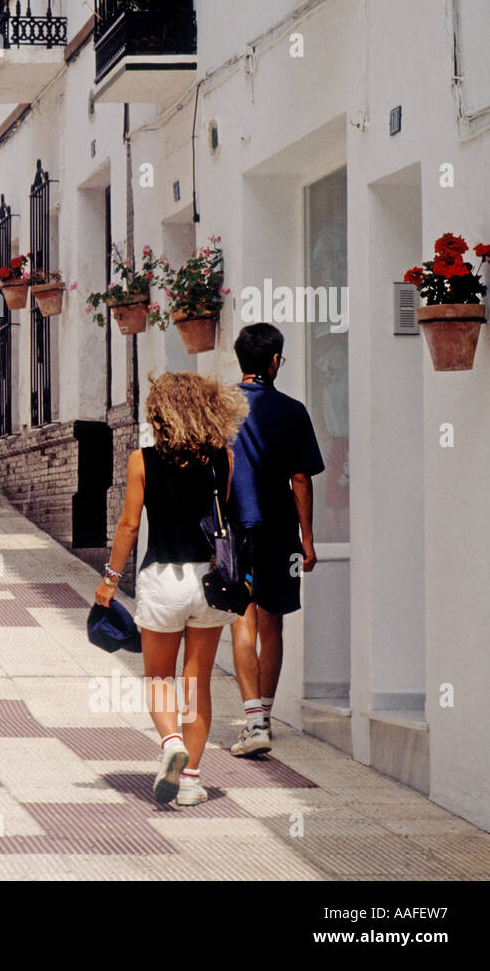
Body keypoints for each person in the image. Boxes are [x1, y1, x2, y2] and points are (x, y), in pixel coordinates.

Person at [94, 372, 248, 807]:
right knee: (196, 681)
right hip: (210, 582)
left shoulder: (141, 461)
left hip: (163, 579)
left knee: (159, 678)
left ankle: (171, 745)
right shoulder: (224, 459)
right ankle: (193, 783)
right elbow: (226, 519)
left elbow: (128, 525)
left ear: (159, 414)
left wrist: (109, 580)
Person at [227, 323, 325, 757]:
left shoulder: (220, 409)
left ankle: (253, 724)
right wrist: (308, 538)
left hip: (233, 528)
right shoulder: (292, 410)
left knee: (241, 619)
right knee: (273, 620)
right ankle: (265, 715)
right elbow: (300, 478)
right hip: (280, 527)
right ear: (273, 362)